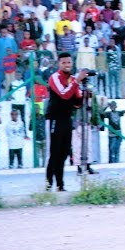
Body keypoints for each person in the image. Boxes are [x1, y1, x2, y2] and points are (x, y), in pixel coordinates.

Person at [44, 51, 91, 191]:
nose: (67, 65)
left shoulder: (72, 79)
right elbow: (64, 94)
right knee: (54, 152)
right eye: (63, 62)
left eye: (69, 62)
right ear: (59, 64)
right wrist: (77, 81)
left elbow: (76, 103)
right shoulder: (54, 77)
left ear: (72, 63)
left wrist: (85, 94)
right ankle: (48, 185)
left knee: (64, 153)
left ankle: (60, 185)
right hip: (54, 119)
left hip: (67, 119)